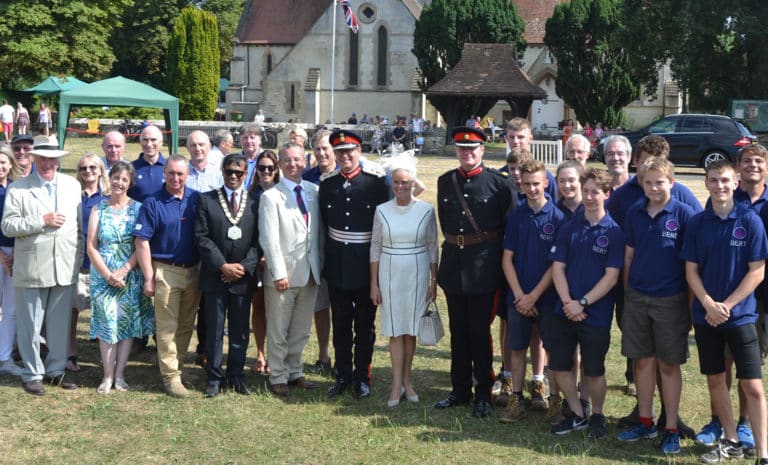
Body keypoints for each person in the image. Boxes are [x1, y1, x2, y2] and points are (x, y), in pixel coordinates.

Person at [681, 160, 768, 465]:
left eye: (725, 180)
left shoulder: (750, 221)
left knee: (753, 385)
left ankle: (762, 453)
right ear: (706, 183)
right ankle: (730, 439)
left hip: (741, 316)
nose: (719, 186)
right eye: (714, 180)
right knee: (716, 380)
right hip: (707, 317)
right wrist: (707, 304)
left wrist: (727, 306)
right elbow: (691, 271)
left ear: (735, 183)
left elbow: (757, 272)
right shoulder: (697, 223)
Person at [616, 157, 696, 455]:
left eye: (659, 182)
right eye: (647, 182)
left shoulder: (685, 215)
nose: (653, 187)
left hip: (670, 300)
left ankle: (671, 426)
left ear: (671, 184)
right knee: (642, 361)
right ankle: (645, 420)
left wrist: (688, 308)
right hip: (637, 297)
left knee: (669, 364)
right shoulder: (635, 213)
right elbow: (627, 258)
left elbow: (691, 265)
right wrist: (628, 294)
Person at [433, 126, 514, 418]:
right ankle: (460, 390)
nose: (467, 153)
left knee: (480, 332)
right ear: (456, 151)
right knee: (458, 331)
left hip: (484, 266)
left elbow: (507, 229)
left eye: (473, 148)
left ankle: (483, 393)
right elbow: (446, 224)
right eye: (462, 148)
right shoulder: (445, 182)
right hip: (455, 264)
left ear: (483, 149)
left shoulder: (499, 184)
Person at [1, 135, 83, 395]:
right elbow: (8, 226)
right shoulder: (18, 189)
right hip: (32, 267)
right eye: (43, 159)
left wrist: (77, 258)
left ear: (58, 161)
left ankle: (56, 370)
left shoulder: (72, 185)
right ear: (34, 159)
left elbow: (79, 229)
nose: (48, 164)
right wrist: (41, 220)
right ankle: (32, 372)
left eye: (53, 159)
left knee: (59, 324)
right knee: (30, 324)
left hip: (65, 266)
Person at [548, 168, 623, 439]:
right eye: (586, 191)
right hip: (564, 309)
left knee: (593, 369)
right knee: (558, 365)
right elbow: (558, 268)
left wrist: (583, 302)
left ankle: (598, 415)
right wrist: (568, 302)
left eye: (595, 192)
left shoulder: (614, 232)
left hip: (596, 313)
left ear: (606, 194)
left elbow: (611, 277)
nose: (590, 197)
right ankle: (577, 413)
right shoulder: (570, 228)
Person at [320, 129, 389, 399]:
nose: (345, 156)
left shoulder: (375, 183)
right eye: (340, 152)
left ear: (359, 152)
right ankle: (342, 375)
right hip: (337, 262)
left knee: (364, 324)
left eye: (350, 151)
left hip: (365, 263)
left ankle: (362, 376)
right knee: (340, 323)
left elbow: (383, 225)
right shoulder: (328, 184)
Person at [498, 159, 566, 424]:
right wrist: (519, 296)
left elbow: (556, 265)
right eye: (526, 184)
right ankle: (516, 399)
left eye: (536, 183)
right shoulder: (516, 217)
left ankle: (554, 402)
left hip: (547, 298)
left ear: (546, 183)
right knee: (516, 347)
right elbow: (507, 260)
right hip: (518, 297)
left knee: (552, 349)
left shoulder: (558, 218)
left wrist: (533, 296)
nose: (531, 189)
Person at [370, 154, 438, 407]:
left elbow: (433, 246)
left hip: (418, 272)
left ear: (413, 183)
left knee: (411, 330)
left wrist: (433, 280)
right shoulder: (382, 210)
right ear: (392, 183)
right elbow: (375, 247)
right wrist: (373, 283)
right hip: (390, 272)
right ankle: (396, 384)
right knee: (396, 330)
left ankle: (407, 381)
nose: (401, 186)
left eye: (406, 182)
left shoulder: (426, 210)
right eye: (397, 182)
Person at [259, 143, 323, 398]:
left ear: (305, 162)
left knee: (300, 328)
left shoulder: (314, 191)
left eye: (297, 159)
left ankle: (295, 371)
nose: (293, 164)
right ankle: (277, 375)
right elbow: (269, 239)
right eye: (287, 160)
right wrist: (278, 273)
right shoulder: (270, 197)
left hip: (309, 272)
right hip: (284, 275)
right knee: (278, 328)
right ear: (279, 165)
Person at [134, 155, 201, 398]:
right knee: (167, 327)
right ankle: (170, 377)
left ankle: (177, 367)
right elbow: (142, 241)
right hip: (166, 271)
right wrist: (149, 277)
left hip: (193, 271)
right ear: (165, 174)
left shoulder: (196, 198)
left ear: (187, 175)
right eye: (171, 173)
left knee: (185, 325)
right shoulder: (152, 203)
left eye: (180, 174)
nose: (175, 178)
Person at [196, 153, 261, 397]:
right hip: (216, 277)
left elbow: (259, 241)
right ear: (222, 172)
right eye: (229, 172)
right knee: (213, 329)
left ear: (246, 174)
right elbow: (202, 237)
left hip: (243, 279)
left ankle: (236, 375)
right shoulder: (207, 200)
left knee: (240, 330)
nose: (233, 176)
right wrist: (223, 266)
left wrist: (243, 267)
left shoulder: (255, 202)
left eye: (239, 172)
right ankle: (214, 377)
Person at [88, 161, 154, 394]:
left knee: (126, 325)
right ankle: (106, 376)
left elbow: (141, 244)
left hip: (130, 274)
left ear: (130, 183)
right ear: (110, 178)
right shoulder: (98, 208)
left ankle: (120, 375)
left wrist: (123, 271)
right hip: (103, 275)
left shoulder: (139, 208)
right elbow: (91, 246)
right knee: (106, 323)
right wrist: (108, 275)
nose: (119, 183)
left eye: (124, 179)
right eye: (116, 178)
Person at [184, 130, 223, 369]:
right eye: (193, 145)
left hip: (210, 246)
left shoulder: (219, 174)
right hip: (186, 245)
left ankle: (205, 349)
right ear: (187, 147)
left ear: (209, 146)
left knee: (209, 304)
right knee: (186, 301)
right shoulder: (181, 172)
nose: (198, 149)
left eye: (202, 144)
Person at [69, 154, 110, 373]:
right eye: (83, 167)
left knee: (103, 311)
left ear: (101, 170)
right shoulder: (72, 195)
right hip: (76, 262)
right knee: (73, 311)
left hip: (102, 264)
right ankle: (70, 353)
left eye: (93, 167)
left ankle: (106, 356)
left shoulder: (109, 196)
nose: (88, 171)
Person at [302, 130, 335, 374]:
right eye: (318, 148)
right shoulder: (307, 178)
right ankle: (324, 357)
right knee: (320, 306)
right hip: (317, 251)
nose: (322, 153)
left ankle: (347, 358)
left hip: (343, 250)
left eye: (326, 148)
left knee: (346, 309)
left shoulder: (348, 173)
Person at [249, 150, 280, 375]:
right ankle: (260, 353)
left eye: (270, 168)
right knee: (259, 308)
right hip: (256, 260)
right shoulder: (250, 197)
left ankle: (276, 356)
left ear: (277, 170)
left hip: (279, 259)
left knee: (278, 311)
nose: (266, 172)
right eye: (262, 168)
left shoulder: (284, 194)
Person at [0, 146, 22, 376]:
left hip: (17, 253)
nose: (0, 167)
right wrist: (2, 256)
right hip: (1, 254)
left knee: (11, 309)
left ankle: (4, 357)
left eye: (4, 162)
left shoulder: (17, 189)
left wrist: (14, 253)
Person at [128, 125, 167, 202]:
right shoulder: (130, 168)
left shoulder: (170, 167)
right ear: (140, 142)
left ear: (161, 143)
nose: (149, 144)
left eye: (153, 140)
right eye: (145, 140)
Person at [238, 123, 265, 190]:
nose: (248, 141)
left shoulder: (268, 160)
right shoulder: (235, 160)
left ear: (260, 140)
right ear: (240, 140)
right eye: (245, 137)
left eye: (252, 137)